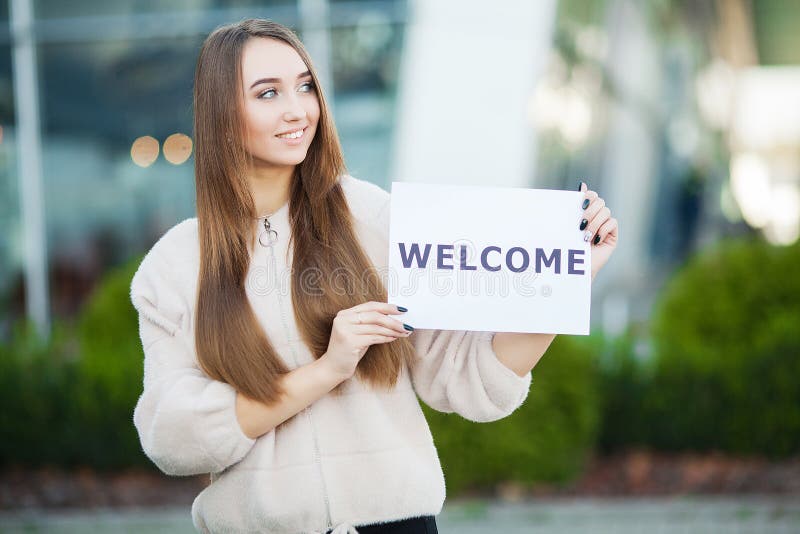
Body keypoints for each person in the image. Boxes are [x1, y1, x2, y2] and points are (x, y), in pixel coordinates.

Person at [129, 18, 618, 534]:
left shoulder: (373, 219)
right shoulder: (175, 266)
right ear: (223, 113)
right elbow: (173, 435)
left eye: (305, 86)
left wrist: (564, 282)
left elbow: (465, 377)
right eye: (268, 93)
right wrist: (327, 369)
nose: (298, 109)